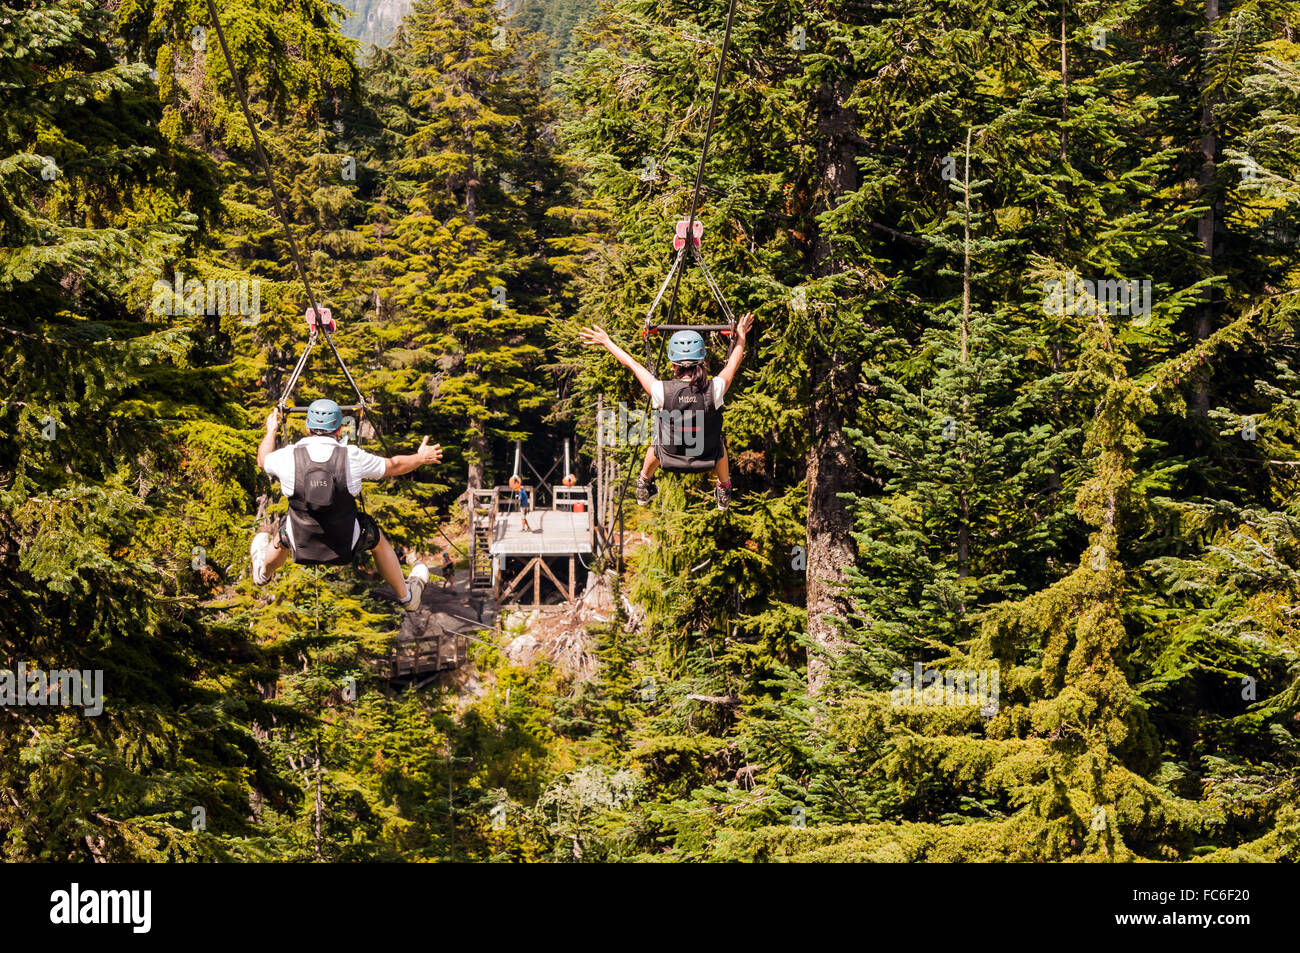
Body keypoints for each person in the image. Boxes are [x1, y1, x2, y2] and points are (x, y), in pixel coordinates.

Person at [249, 398, 442, 612]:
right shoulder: (352, 457)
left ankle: (263, 573)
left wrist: (271, 430)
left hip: (301, 540)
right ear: (339, 430)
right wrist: (420, 457)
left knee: (285, 535)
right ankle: (406, 597)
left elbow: (262, 459)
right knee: (376, 539)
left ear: (307, 427)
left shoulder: (288, 457)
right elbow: (394, 466)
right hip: (346, 542)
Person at [580, 311, 753, 510]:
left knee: (656, 440)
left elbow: (632, 364)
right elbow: (733, 363)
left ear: (673, 365)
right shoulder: (715, 389)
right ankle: (724, 487)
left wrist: (607, 341)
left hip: (669, 456)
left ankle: (644, 482)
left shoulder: (661, 390)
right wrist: (741, 336)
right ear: (702, 361)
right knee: (720, 444)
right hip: (707, 457)